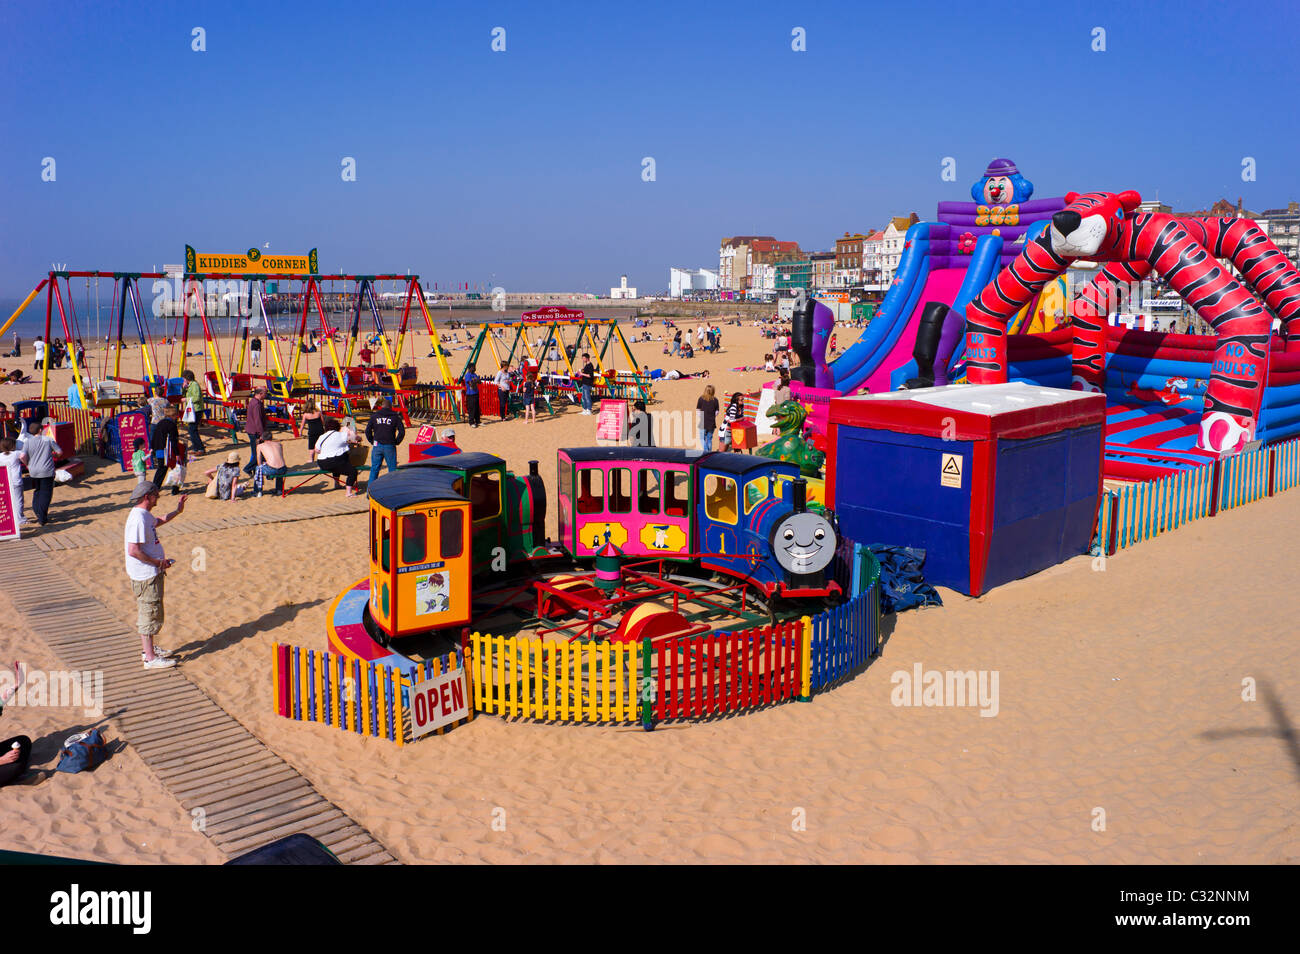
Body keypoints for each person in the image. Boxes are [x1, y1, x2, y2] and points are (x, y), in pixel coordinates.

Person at [124, 481, 186, 669]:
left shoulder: (144, 515)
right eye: (156, 495)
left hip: (151, 572)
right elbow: (133, 550)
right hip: (145, 575)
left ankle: (149, 650)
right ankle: (150, 659)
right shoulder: (138, 519)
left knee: (152, 610)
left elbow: (157, 521)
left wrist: (177, 511)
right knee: (148, 613)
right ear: (147, 497)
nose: (158, 498)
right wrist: (158, 563)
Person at [22, 420, 58, 526]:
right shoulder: (48, 439)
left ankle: (37, 511)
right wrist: (54, 455)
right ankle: (42, 517)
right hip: (47, 470)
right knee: (46, 493)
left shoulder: (27, 442)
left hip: (33, 471)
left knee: (37, 491)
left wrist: (27, 464)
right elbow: (59, 452)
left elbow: (22, 456)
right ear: (40, 430)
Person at [315, 418, 361, 497]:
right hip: (334, 461)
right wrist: (359, 438)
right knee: (353, 472)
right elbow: (354, 437)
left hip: (322, 463)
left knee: (337, 464)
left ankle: (337, 484)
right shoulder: (341, 435)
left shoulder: (322, 436)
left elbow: (317, 450)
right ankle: (348, 492)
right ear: (337, 427)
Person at [364, 397, 405, 483]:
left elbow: (367, 431)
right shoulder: (395, 417)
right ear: (390, 407)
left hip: (377, 444)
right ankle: (392, 489)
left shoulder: (374, 416)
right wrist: (396, 441)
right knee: (392, 469)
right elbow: (402, 432)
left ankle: (370, 490)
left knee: (374, 469)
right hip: (390, 444)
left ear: (381, 406)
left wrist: (372, 441)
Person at [150, 404, 180, 491]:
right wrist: (177, 453)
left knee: (161, 469)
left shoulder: (160, 423)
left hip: (159, 448)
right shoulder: (172, 425)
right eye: (176, 415)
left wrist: (153, 448)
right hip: (167, 450)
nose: (177, 417)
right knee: (175, 468)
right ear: (173, 415)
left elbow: (154, 436)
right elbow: (173, 440)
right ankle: (175, 489)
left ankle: (155, 486)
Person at [0, 437, 25, 530]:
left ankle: (10, 517)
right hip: (16, 480)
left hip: (5, 481)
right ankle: (20, 519)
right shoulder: (16, 453)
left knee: (7, 501)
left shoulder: (0, 456)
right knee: (18, 500)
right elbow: (23, 455)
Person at [180, 368, 206, 457]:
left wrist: (186, 399)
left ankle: (200, 449)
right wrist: (184, 388)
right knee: (191, 430)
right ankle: (196, 448)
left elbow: (196, 397)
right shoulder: (189, 385)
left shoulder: (194, 385)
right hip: (192, 410)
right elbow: (184, 394)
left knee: (193, 429)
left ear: (186, 378)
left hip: (196, 410)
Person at [243, 387, 268, 476]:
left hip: (253, 430)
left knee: (257, 451)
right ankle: (248, 468)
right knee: (258, 452)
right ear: (260, 394)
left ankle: (254, 468)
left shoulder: (254, 402)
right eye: (265, 393)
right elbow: (258, 420)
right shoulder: (256, 404)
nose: (266, 395)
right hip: (255, 431)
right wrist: (261, 433)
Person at [696, 384, 720, 453]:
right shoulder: (715, 400)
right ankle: (709, 452)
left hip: (703, 421)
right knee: (709, 439)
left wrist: (701, 417)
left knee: (702, 438)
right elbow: (717, 412)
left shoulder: (701, 399)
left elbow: (698, 410)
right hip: (712, 422)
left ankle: (706, 451)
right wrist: (712, 416)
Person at [301, 396, 325, 461]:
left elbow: (302, 424)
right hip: (320, 430)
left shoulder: (306, 414)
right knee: (321, 444)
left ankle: (311, 459)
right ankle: (323, 457)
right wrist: (324, 427)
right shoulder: (318, 412)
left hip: (312, 431)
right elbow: (323, 421)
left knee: (311, 446)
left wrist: (300, 431)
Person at [463, 364, 481, 428]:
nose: (475, 369)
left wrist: (475, 381)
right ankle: (471, 422)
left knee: (477, 408)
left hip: (476, 393)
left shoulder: (474, 374)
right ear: (470, 368)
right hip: (470, 394)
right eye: (474, 367)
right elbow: (470, 384)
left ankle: (478, 421)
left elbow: (479, 381)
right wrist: (476, 381)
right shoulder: (468, 375)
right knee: (472, 409)